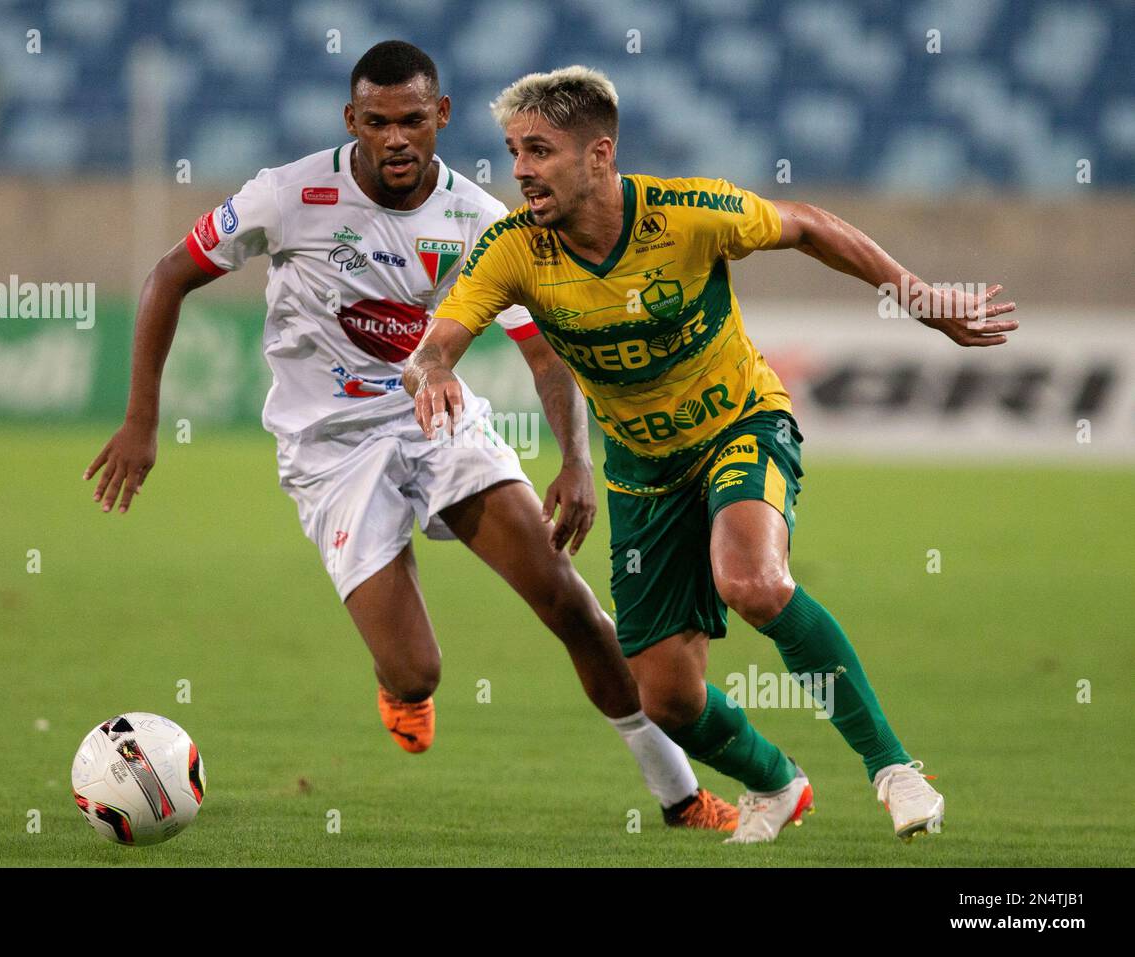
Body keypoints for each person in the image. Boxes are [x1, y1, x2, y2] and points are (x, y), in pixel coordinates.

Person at [85, 42, 738, 832]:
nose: (397, 139)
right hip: (330, 450)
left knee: (566, 598)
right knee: (417, 669)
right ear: (351, 121)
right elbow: (167, 277)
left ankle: (679, 794)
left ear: (443, 117)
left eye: (414, 121)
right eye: (379, 123)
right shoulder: (288, 195)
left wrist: (575, 458)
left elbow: (544, 353)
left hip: (439, 424)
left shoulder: (479, 218)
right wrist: (142, 423)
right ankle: (400, 685)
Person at [406, 65, 1018, 843]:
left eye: (540, 150)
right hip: (642, 470)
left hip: (740, 424)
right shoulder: (513, 250)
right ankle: (775, 780)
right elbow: (442, 339)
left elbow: (809, 225)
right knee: (663, 695)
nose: (521, 169)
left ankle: (894, 767)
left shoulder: (687, 214)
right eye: (513, 150)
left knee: (753, 581)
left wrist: (921, 297)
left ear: (600, 154)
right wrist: (431, 370)